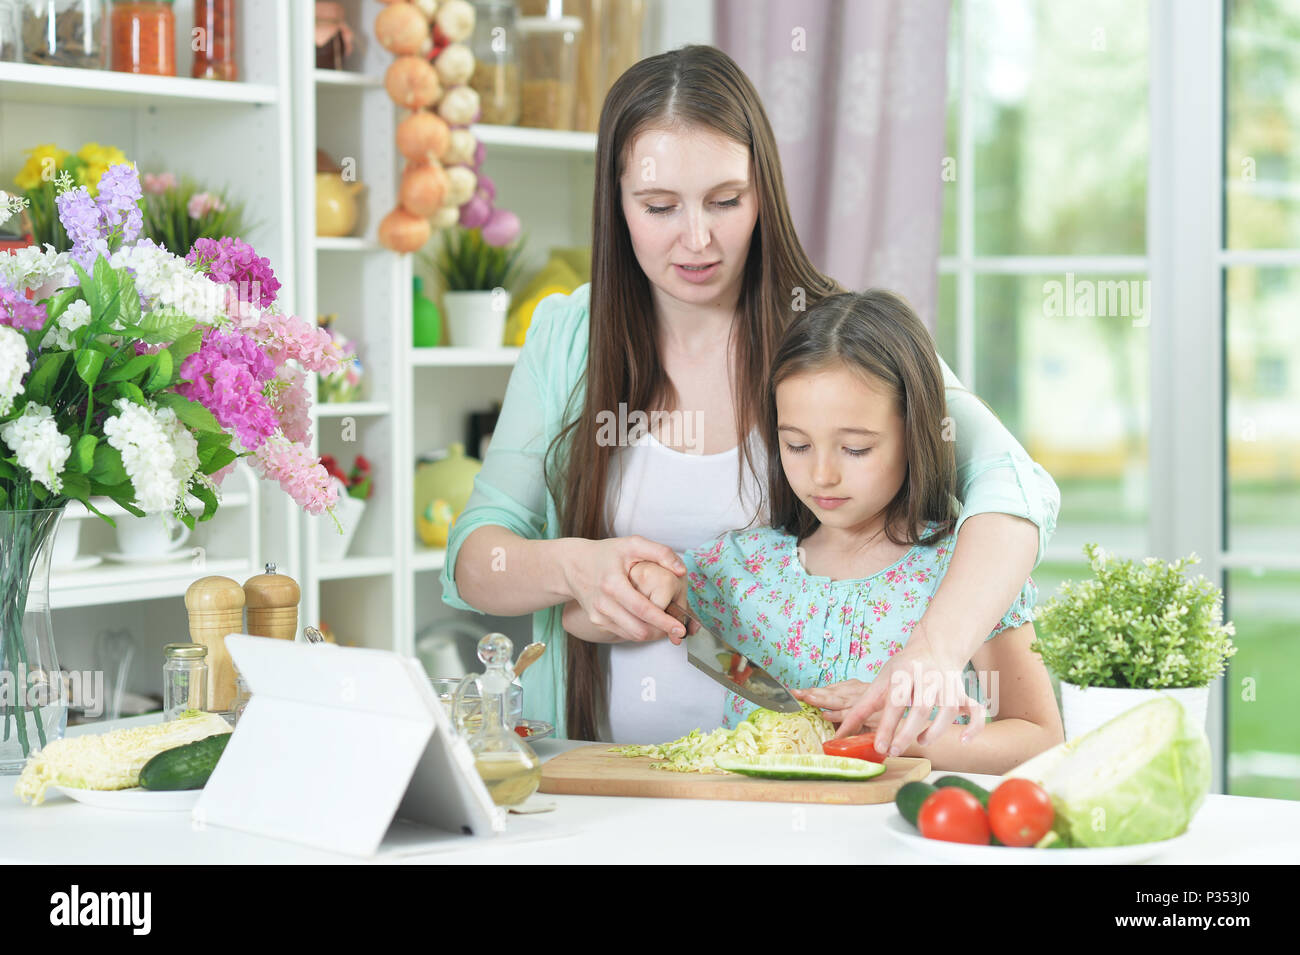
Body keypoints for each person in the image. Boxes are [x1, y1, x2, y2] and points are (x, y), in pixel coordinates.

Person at [441, 44, 1060, 747]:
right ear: (616, 202)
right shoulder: (568, 336)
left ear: (763, 189)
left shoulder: (832, 340)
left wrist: (935, 649)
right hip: (602, 774)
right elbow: (473, 559)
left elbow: (1013, 485)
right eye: (659, 206)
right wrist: (573, 568)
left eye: (726, 201)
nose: (697, 239)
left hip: (777, 790)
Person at [585, 290, 1063, 773]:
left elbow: (1041, 740)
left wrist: (899, 738)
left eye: (855, 449)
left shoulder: (966, 574)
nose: (822, 475)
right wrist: (645, 583)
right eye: (797, 445)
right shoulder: (745, 567)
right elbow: (577, 620)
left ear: (915, 432)